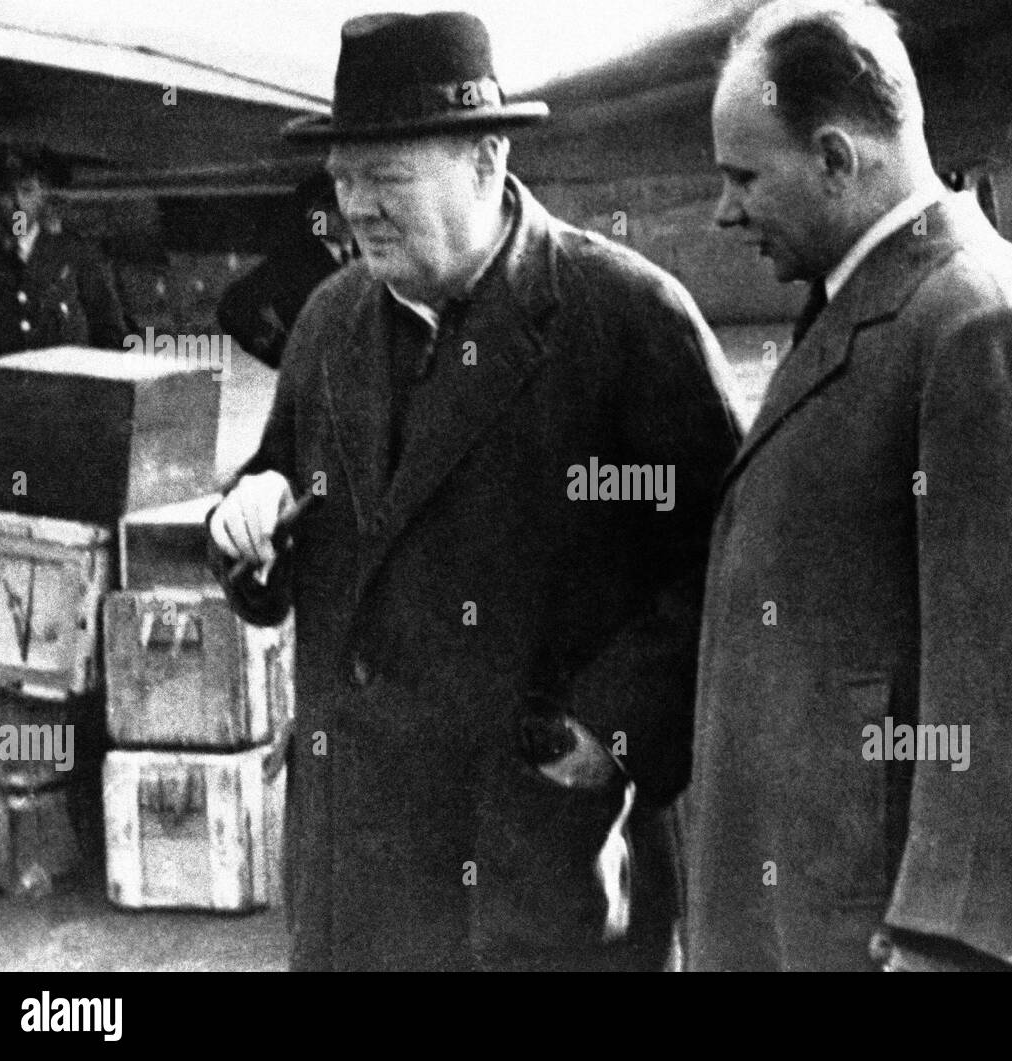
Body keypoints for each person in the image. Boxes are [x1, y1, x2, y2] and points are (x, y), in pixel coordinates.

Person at [206, 11, 741, 972]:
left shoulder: (625, 318)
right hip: (355, 882)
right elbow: (283, 489)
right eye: (343, 180)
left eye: (387, 179)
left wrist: (604, 730)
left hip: (534, 873)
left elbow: (728, 571)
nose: (355, 209)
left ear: (489, 158)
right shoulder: (330, 322)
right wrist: (245, 529)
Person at [686, 0, 1012, 972]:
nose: (723, 211)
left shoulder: (979, 329)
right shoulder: (888, 308)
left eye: (743, 177)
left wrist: (948, 941)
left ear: (839, 159)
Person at [0, 145, 127, 359]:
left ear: (42, 196)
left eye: (27, 191)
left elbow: (111, 336)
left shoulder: (78, 255)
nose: (18, 204)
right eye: (6, 193)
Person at [217, 172, 355, 368]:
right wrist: (283, 355)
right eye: (312, 215)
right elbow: (231, 309)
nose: (316, 222)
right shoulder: (291, 263)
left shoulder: (373, 254)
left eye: (322, 212)